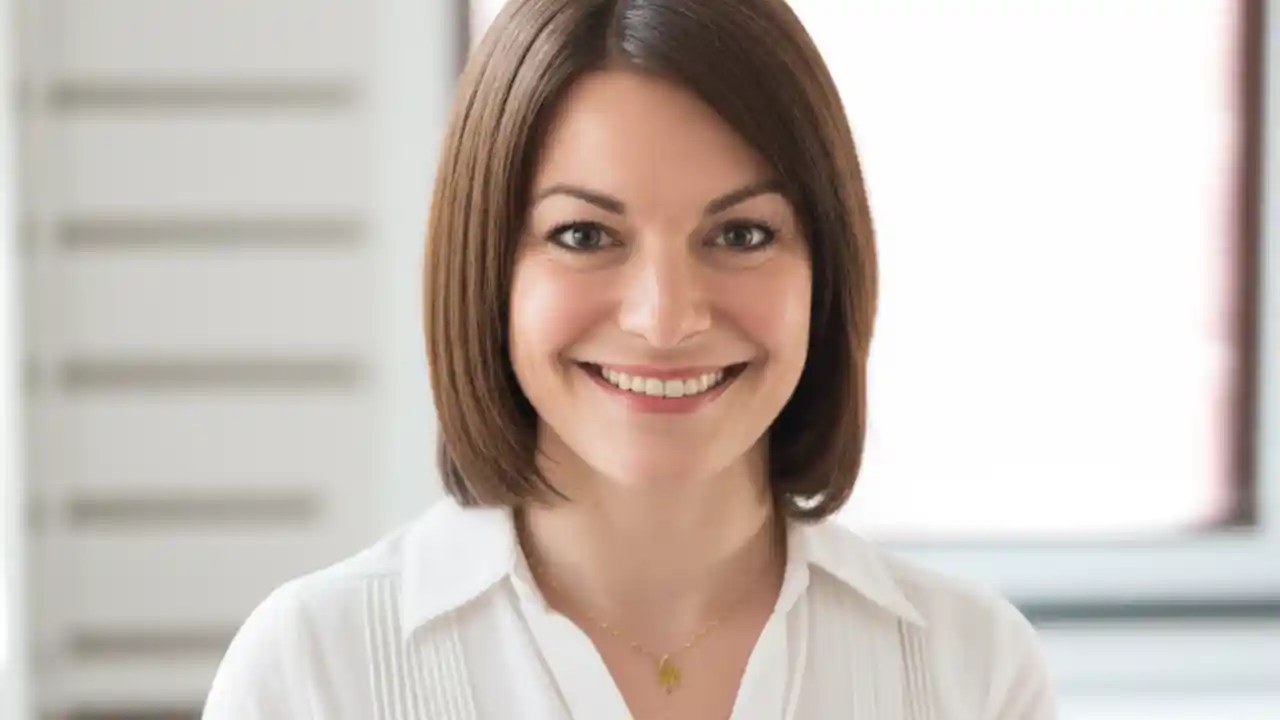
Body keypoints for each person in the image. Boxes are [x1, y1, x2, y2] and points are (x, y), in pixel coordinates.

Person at [204, 0, 1057, 717]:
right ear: (487, 270)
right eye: (584, 235)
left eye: (741, 234)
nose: (664, 319)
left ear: (825, 270)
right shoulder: (313, 674)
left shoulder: (968, 672)